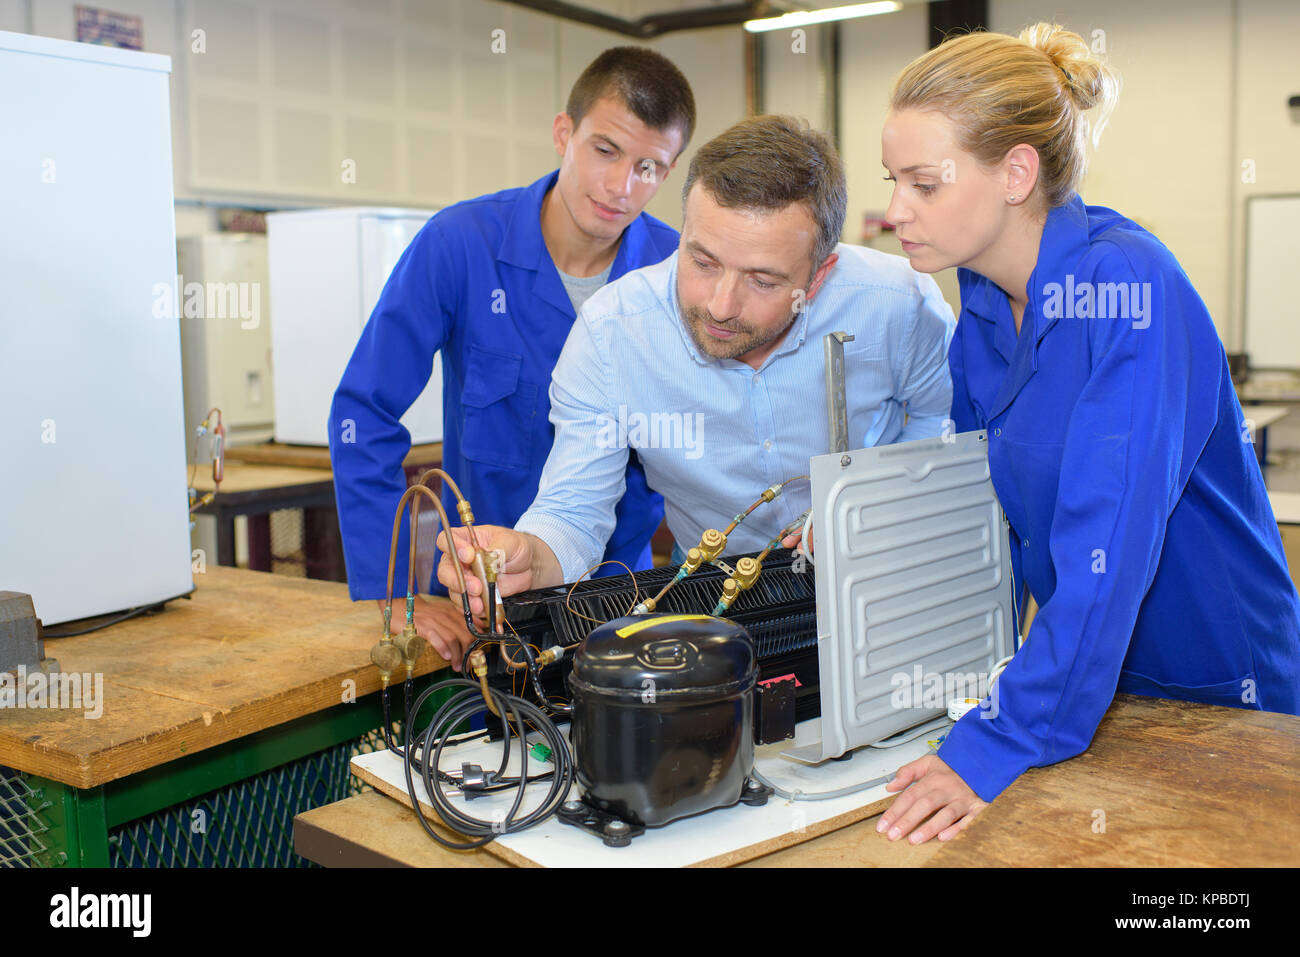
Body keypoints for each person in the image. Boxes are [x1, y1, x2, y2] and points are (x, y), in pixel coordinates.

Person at [873, 23, 1300, 846]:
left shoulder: (1131, 285)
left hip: (1213, 686)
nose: (894, 211)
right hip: (1084, 685)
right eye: (894, 181)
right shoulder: (986, 307)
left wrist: (996, 738)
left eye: (924, 183)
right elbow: (980, 523)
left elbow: (1108, 540)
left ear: (1016, 172)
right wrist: (948, 689)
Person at [435, 115, 956, 657]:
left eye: (763, 280)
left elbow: (945, 433)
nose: (720, 306)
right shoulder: (613, 334)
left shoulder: (899, 307)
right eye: (702, 261)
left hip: (887, 591)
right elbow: (573, 512)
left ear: (820, 275)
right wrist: (529, 553)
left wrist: (869, 502)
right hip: (718, 614)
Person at [329, 48, 695, 669]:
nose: (621, 187)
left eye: (649, 168)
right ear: (564, 133)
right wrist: (395, 589)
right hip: (482, 606)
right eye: (605, 150)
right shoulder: (459, 245)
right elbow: (363, 413)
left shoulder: (680, 273)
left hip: (619, 601)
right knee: (488, 761)